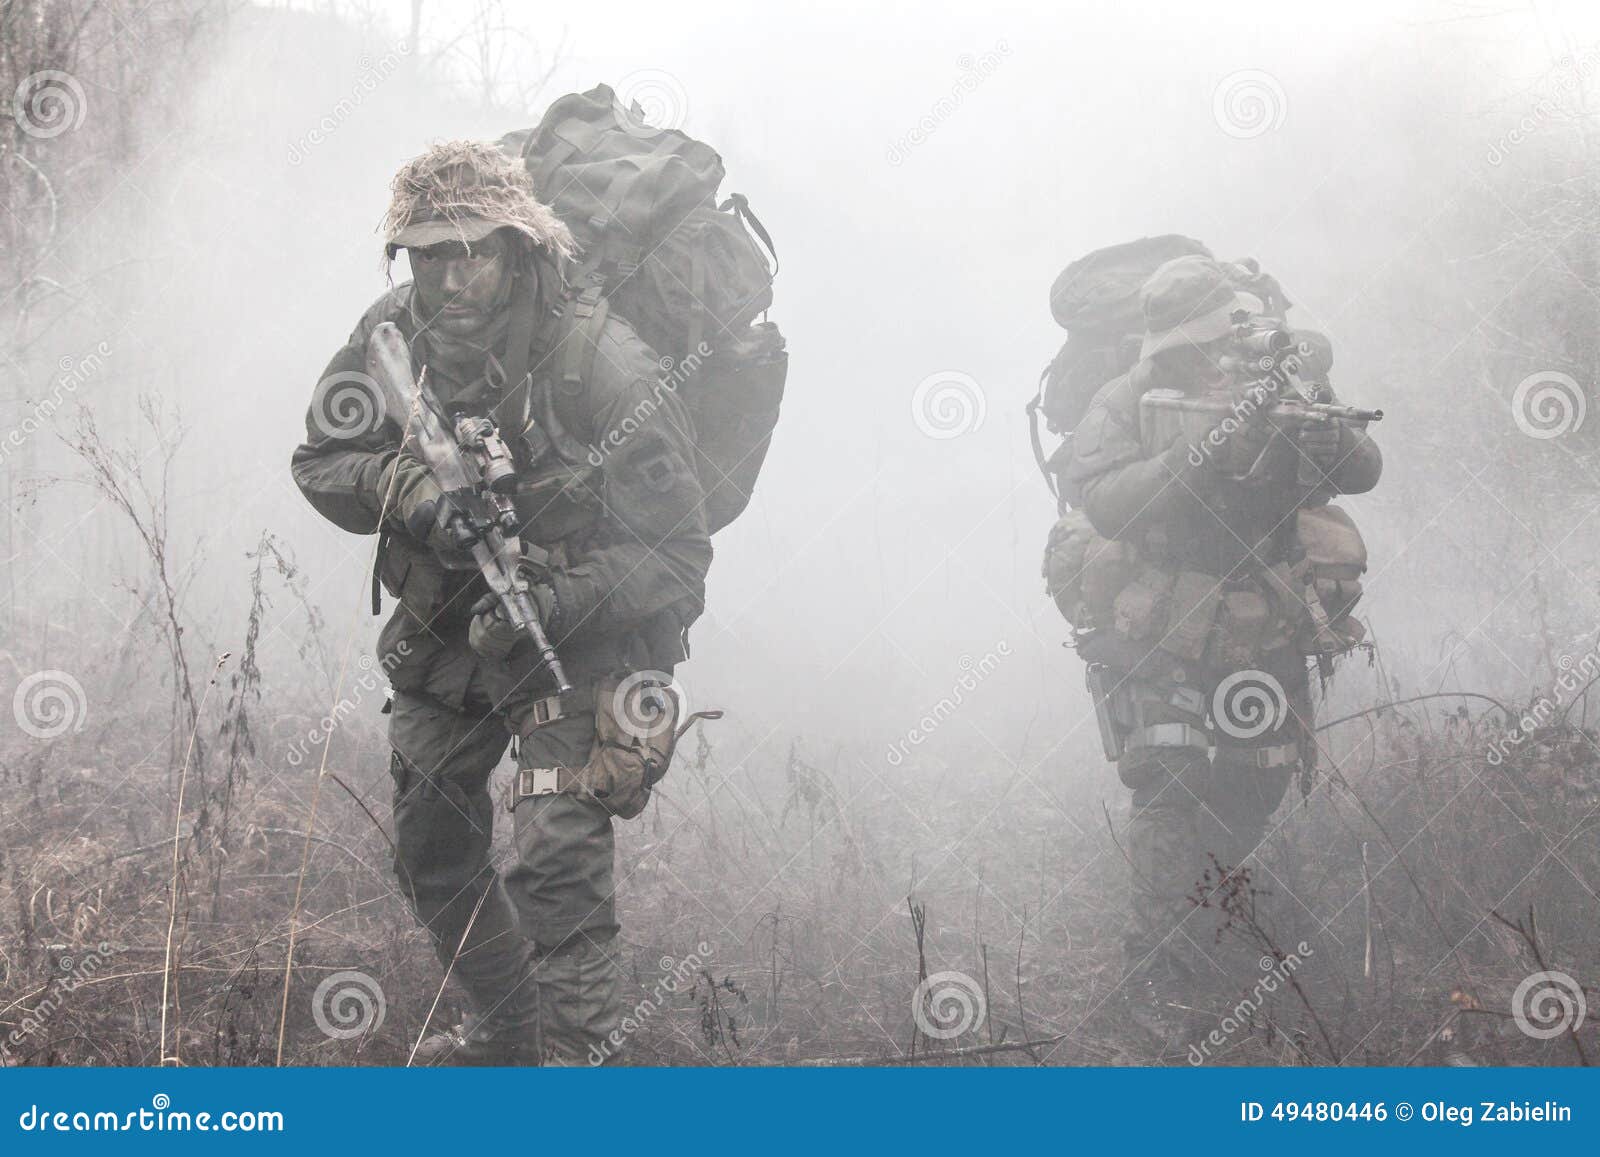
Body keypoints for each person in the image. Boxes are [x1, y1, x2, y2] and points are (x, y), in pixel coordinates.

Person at [291, 141, 711, 1064]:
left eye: (471, 250)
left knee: (558, 863)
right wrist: (409, 493)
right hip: (447, 625)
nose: (450, 276)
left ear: (519, 246)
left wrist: (557, 600)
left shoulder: (603, 360)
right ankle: (510, 1029)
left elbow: (678, 553)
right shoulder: (389, 335)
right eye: (427, 254)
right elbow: (320, 459)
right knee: (431, 850)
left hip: (581, 629)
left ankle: (575, 1077)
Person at [1056, 254, 1381, 1056]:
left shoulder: (1285, 370)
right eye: (1191, 345)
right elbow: (1100, 495)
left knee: (1255, 775)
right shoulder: (1126, 394)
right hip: (1160, 611)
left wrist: (1320, 431)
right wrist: (1197, 449)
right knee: (1169, 778)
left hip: (1262, 609)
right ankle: (1157, 971)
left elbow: (1366, 472)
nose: (1209, 355)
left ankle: (1216, 935)